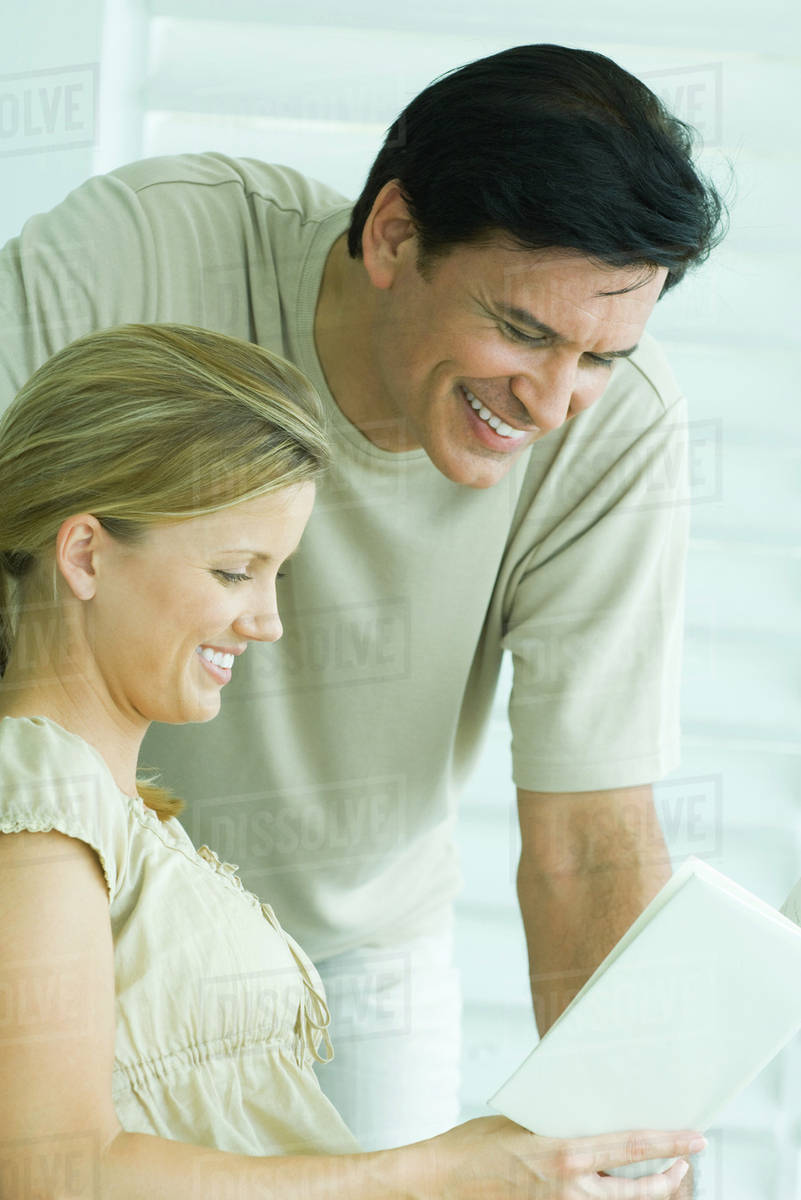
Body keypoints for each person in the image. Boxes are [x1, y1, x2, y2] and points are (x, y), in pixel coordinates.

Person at [0, 43, 726, 1149]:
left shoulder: (610, 427)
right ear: (394, 234)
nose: (551, 400)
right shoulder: (144, 254)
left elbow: (589, 837)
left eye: (600, 355)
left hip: (349, 943)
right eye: (524, 330)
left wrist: (617, 1144)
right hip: (64, 868)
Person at [0, 322, 705, 1198]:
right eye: (232, 572)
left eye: (276, 577)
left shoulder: (113, 814)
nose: (266, 621)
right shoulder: (39, 801)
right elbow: (52, 1174)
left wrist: (487, 1167)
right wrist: (435, 1173)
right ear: (85, 555)